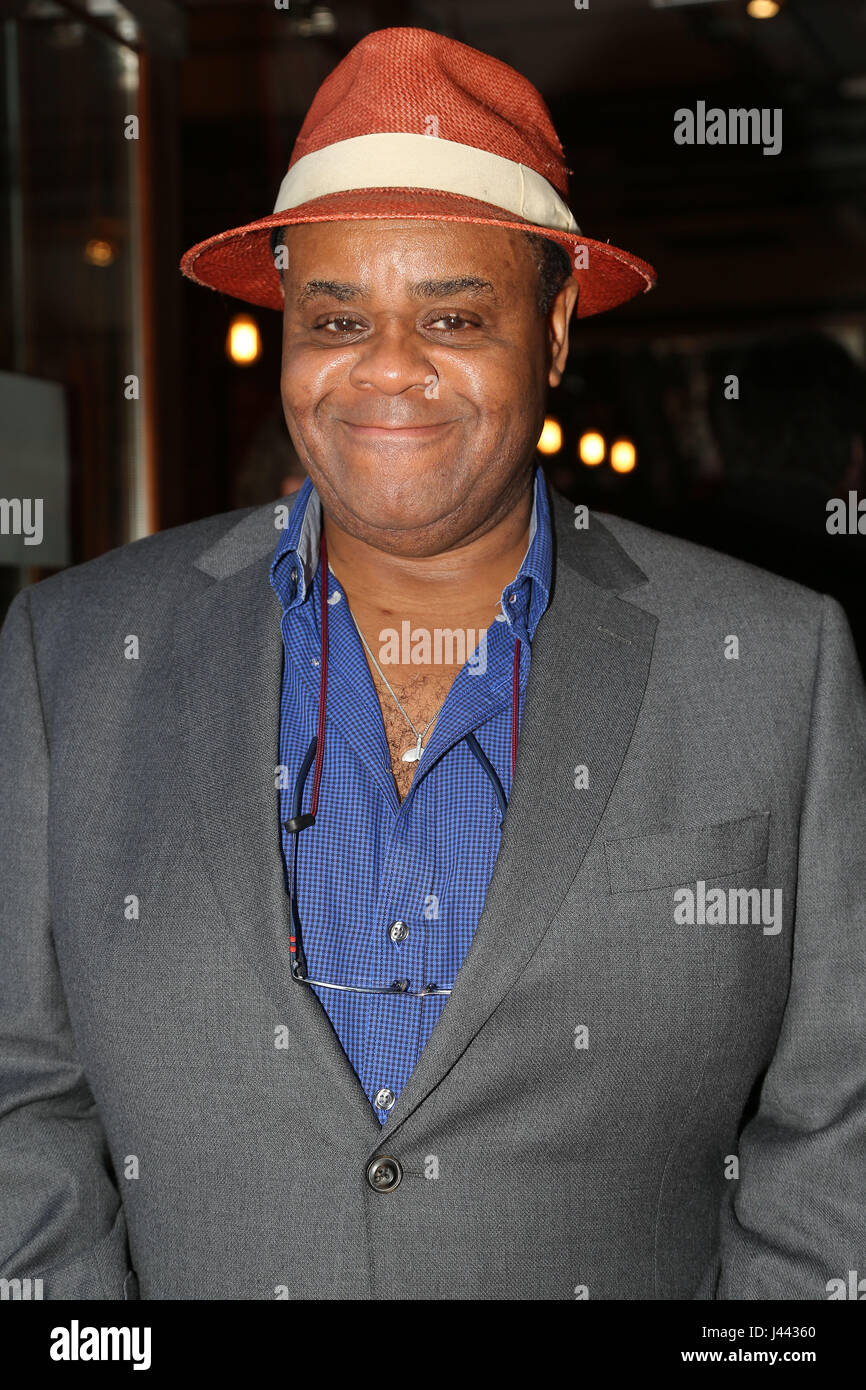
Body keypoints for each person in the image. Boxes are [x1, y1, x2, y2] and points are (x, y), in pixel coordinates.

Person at [0, 26, 863, 1302]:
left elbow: (834, 1130)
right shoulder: (68, 659)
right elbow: (24, 1104)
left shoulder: (772, 664)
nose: (386, 369)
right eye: (335, 315)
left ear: (555, 330)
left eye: (452, 315)